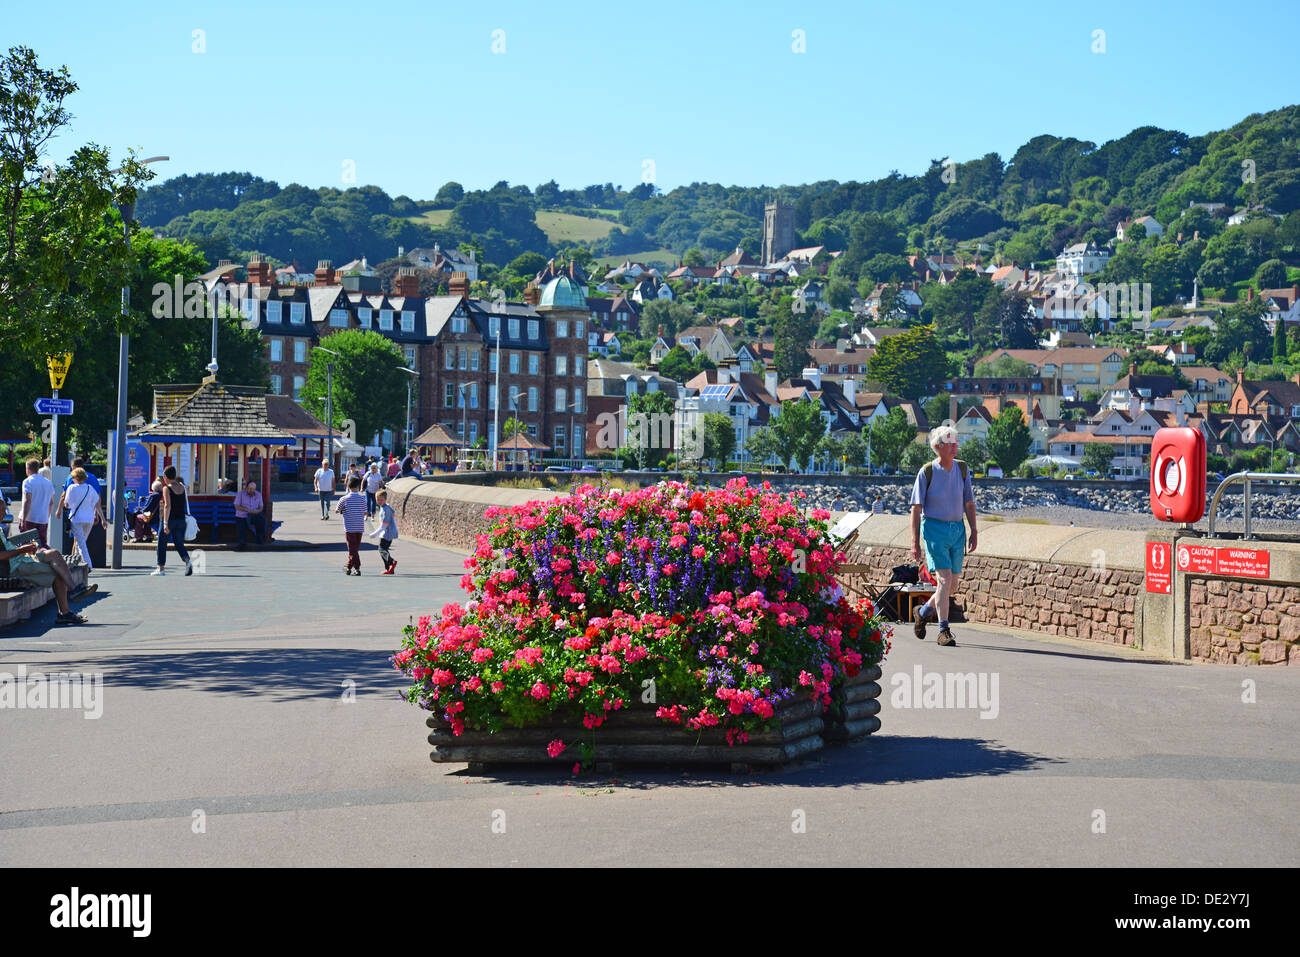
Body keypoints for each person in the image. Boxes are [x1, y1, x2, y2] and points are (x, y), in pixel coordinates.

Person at [909, 425, 977, 647]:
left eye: (956, 441)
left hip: (957, 529)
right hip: (934, 530)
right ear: (938, 447)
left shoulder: (963, 469)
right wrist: (915, 543)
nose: (955, 445)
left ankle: (924, 611)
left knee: (951, 585)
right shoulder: (926, 472)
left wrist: (974, 530)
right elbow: (916, 509)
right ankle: (943, 630)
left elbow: (969, 502)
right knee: (945, 580)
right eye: (950, 442)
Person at [0, 529, 97, 625]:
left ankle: (73, 589)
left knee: (54, 553)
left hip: (21, 558)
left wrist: (24, 549)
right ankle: (65, 612)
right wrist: (22, 550)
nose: (4, 514)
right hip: (15, 566)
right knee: (58, 572)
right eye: (3, 512)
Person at [57, 467, 105, 571]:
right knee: (80, 542)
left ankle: (88, 565)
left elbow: (67, 504)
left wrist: (66, 505)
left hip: (77, 519)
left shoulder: (72, 488)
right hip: (89, 519)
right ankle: (75, 563)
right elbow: (97, 505)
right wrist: (103, 519)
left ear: (76, 478)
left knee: (81, 543)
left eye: (73, 477)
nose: (72, 479)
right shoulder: (90, 488)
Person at [153, 465, 193, 577]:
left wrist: (165, 522)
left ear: (165, 476)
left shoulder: (167, 488)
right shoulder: (183, 487)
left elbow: (167, 505)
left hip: (170, 520)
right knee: (179, 543)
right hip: (181, 519)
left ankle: (160, 568)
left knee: (162, 544)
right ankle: (187, 561)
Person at [19, 458, 56, 547]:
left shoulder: (28, 481)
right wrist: (47, 516)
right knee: (42, 544)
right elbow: (51, 502)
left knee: (26, 545)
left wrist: (23, 519)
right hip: (43, 518)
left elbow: (27, 501)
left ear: (28, 469)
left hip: (29, 518)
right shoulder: (48, 483)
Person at [335, 474, 368, 575]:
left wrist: (343, 510)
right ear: (358, 487)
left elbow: (337, 510)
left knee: (352, 549)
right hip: (360, 527)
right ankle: (348, 567)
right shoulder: (363, 499)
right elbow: (366, 512)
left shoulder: (344, 499)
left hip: (349, 527)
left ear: (348, 487)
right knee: (355, 548)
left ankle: (357, 568)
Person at [368, 488, 400, 574]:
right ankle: (389, 568)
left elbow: (384, 525)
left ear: (385, 499)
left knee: (381, 549)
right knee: (383, 549)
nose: (379, 501)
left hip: (387, 533)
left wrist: (374, 534)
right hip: (388, 532)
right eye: (378, 499)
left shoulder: (385, 509)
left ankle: (391, 561)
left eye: (381, 499)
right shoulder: (384, 508)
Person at [233, 479, 267, 549]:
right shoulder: (240, 494)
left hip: (254, 514)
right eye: (250, 489)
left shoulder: (258, 494)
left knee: (261, 520)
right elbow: (236, 506)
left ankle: (260, 539)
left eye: (254, 489)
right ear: (246, 488)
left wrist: (256, 511)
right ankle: (242, 543)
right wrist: (246, 510)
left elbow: (261, 507)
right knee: (241, 524)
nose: (252, 490)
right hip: (242, 515)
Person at [135, 479, 163, 543]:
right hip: (156, 516)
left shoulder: (153, 495)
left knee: (138, 517)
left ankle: (138, 537)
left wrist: (140, 509)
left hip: (152, 517)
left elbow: (147, 508)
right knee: (145, 518)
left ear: (154, 487)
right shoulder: (161, 495)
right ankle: (148, 536)